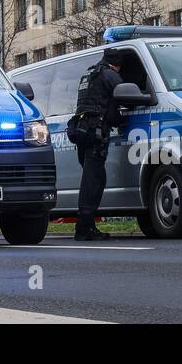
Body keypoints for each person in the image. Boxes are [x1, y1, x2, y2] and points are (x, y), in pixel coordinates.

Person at [71, 53, 123, 241]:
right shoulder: (110, 75)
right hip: (96, 133)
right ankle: (84, 228)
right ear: (116, 64)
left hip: (82, 131)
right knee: (93, 181)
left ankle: (86, 226)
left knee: (92, 179)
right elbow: (122, 99)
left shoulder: (89, 74)